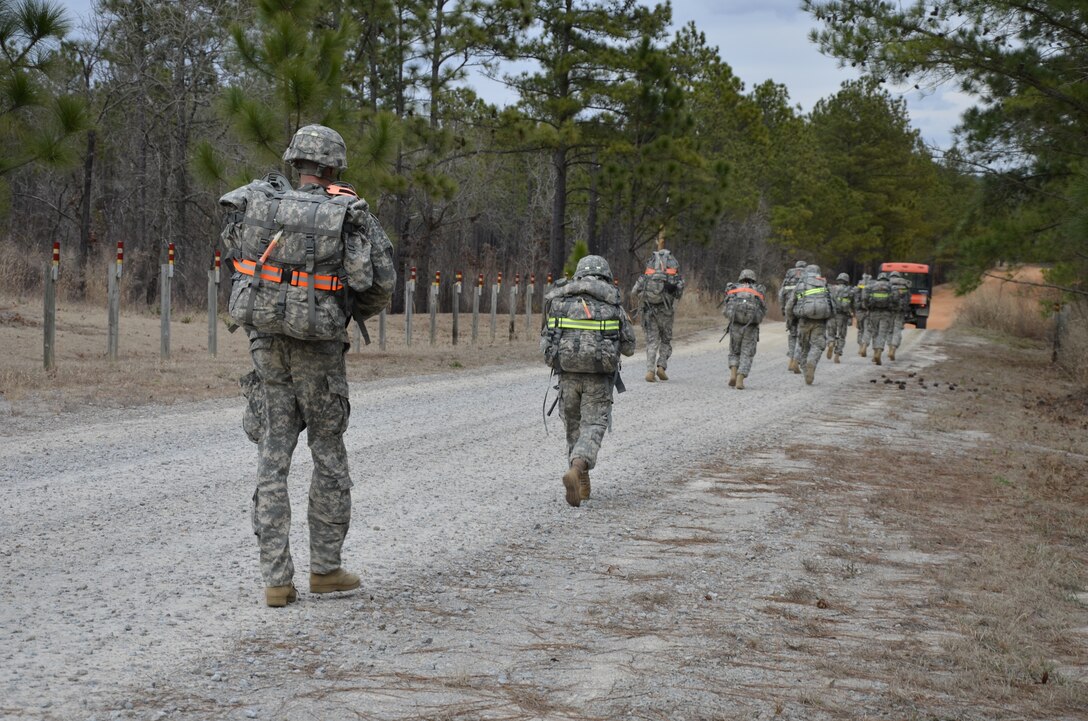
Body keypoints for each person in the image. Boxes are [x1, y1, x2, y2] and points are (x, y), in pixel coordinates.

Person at [219, 124, 396, 607]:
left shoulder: (262, 203)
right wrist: (342, 308)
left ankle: (276, 581)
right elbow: (380, 285)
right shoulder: (349, 212)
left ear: (295, 164)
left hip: (267, 343)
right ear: (333, 167)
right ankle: (326, 569)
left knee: (272, 459)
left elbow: (237, 259)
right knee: (328, 453)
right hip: (320, 349)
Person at [541, 255, 636, 507]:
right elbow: (629, 347)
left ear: (579, 275)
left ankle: (580, 479)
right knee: (593, 425)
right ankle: (578, 468)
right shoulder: (612, 301)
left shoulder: (559, 299)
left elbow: (545, 344)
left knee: (574, 428)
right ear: (606, 275)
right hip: (598, 378)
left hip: (567, 377)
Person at [631, 234, 684, 382]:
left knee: (652, 341)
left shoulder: (646, 276)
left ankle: (650, 371)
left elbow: (634, 292)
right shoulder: (674, 277)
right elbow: (679, 294)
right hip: (666, 312)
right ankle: (661, 366)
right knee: (666, 340)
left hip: (649, 311)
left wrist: (645, 295)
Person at [784, 264, 833, 385]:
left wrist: (790, 320)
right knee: (818, 345)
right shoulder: (824, 284)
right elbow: (832, 304)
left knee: (804, 346)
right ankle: (812, 363)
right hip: (820, 322)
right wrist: (832, 322)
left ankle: (806, 371)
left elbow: (790, 305)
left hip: (804, 320)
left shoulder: (801, 285)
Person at [722, 268, 767, 389]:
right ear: (753, 278)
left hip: (735, 324)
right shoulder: (758, 289)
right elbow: (763, 309)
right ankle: (740, 378)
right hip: (751, 327)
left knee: (734, 351)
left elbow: (725, 307)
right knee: (747, 353)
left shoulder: (734, 288)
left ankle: (733, 373)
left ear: (741, 277)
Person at [862, 271, 896, 365]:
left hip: (873, 312)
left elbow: (865, 296)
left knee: (874, 333)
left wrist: (867, 307)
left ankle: (874, 353)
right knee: (882, 333)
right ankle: (879, 352)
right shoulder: (891, 287)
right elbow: (896, 299)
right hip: (886, 313)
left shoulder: (872, 286)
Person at [779, 260, 806, 373]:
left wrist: (783, 308)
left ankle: (791, 360)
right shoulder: (807, 278)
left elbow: (781, 294)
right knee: (801, 336)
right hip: (801, 310)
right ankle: (796, 360)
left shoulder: (788, 279)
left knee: (792, 335)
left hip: (789, 310)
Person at [826, 272, 855, 363]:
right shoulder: (850, 291)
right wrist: (853, 314)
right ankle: (837, 354)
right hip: (843, 316)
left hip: (831, 315)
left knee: (831, 333)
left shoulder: (831, 288)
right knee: (842, 336)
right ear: (847, 281)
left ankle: (831, 342)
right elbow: (853, 304)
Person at [887, 270, 911, 360]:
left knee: (889, 330)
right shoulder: (904, 285)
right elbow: (908, 299)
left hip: (889, 311)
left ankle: (889, 348)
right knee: (897, 330)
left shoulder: (887, 284)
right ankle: (893, 348)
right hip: (900, 312)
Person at [855, 273, 872, 357]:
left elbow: (855, 297)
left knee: (860, 330)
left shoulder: (859, 286)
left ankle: (860, 346)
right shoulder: (872, 286)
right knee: (867, 330)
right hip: (869, 311)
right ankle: (865, 344)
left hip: (859, 312)